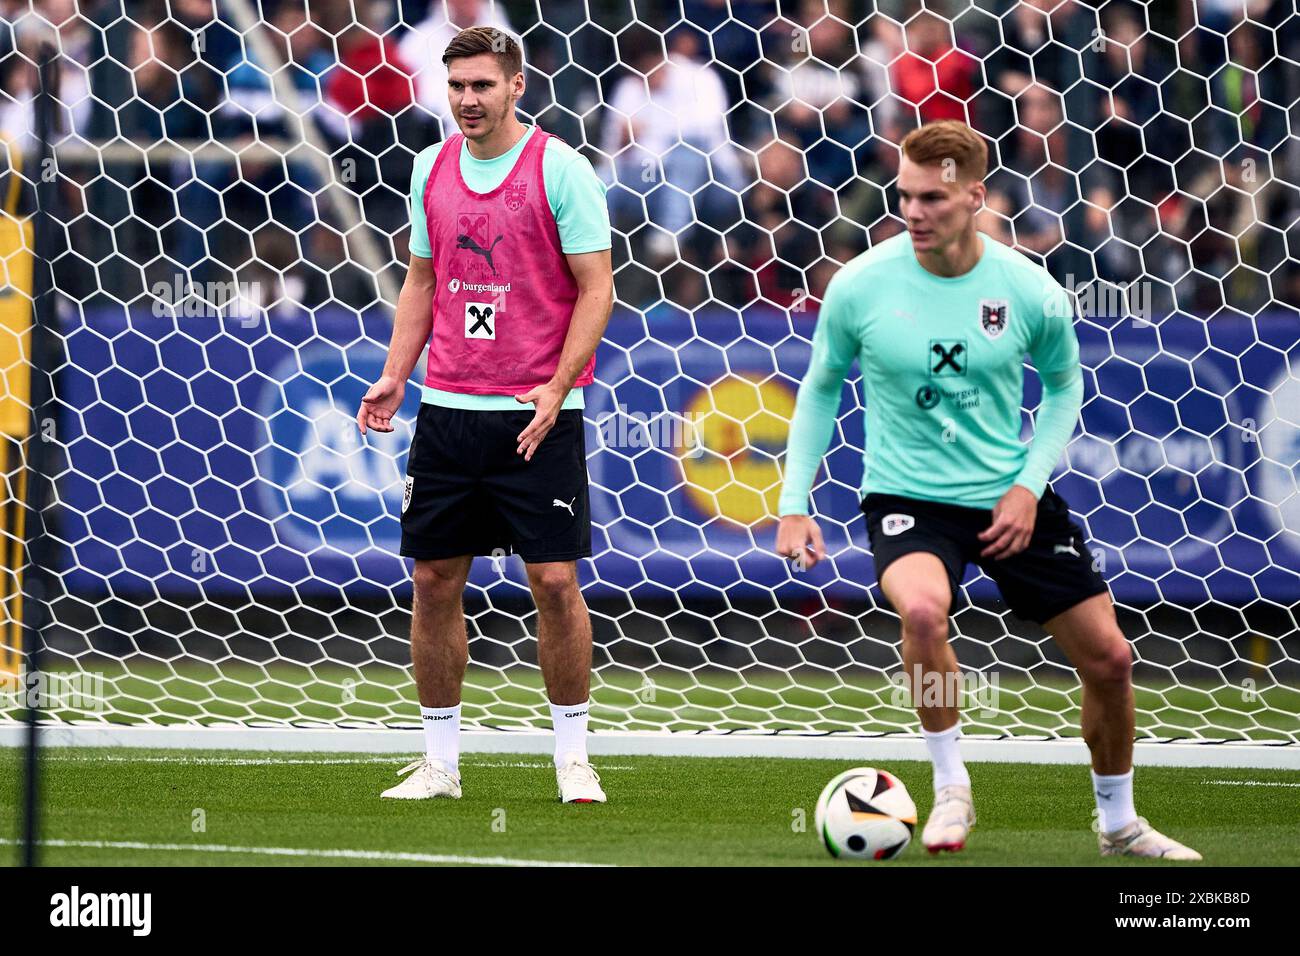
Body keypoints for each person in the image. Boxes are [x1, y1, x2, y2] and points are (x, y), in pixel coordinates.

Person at [776, 120, 1201, 860]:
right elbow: (818, 391)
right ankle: (950, 790)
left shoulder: (1028, 288)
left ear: (975, 196)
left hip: (1008, 496)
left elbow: (1065, 388)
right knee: (920, 609)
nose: (914, 213)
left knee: (1111, 661)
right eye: (905, 196)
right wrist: (792, 502)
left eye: (934, 199)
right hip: (907, 496)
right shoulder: (862, 284)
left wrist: (1028, 488)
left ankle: (1119, 824)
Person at [358, 26, 614, 804]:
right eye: (457, 85)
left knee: (554, 579)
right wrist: (396, 375)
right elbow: (421, 280)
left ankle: (572, 757)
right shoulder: (429, 167)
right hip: (448, 412)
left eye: (482, 85)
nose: (468, 100)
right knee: (434, 581)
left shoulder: (561, 170)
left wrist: (557, 383)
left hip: (539, 411)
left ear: (516, 86)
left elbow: (596, 289)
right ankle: (441, 763)